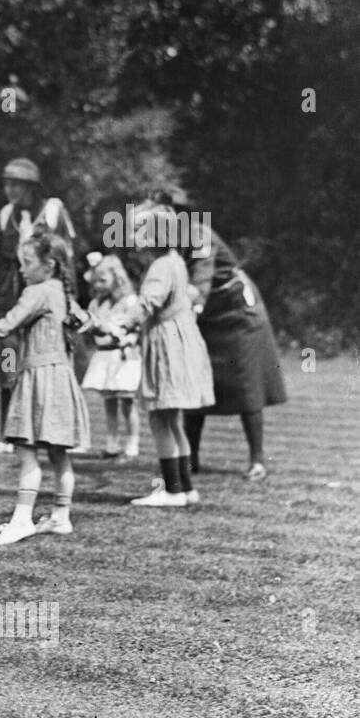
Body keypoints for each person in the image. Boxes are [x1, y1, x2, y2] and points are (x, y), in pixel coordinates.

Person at [0, 235, 91, 545]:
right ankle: (60, 517)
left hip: (40, 377)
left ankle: (22, 519)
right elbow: (85, 321)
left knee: (26, 452)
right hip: (61, 378)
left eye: (27, 263)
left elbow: (5, 326)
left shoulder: (37, 291)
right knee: (58, 452)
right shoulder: (63, 293)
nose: (22, 270)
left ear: (48, 265)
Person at [0, 158, 85, 455]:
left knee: (55, 367)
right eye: (6, 183)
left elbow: (67, 257)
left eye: (16, 184)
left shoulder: (53, 210)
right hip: (13, 300)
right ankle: (6, 435)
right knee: (8, 364)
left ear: (31, 187)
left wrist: (70, 298)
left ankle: (63, 434)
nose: (9, 189)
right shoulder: (5, 215)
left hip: (50, 302)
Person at [161, 196, 286, 481]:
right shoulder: (170, 242)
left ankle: (257, 460)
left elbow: (201, 280)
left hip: (237, 316)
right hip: (207, 318)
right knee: (197, 383)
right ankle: (190, 458)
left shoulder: (199, 235)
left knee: (247, 385)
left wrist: (188, 312)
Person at [110, 208, 215, 507]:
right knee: (172, 419)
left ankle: (172, 490)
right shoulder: (176, 262)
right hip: (180, 340)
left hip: (167, 344)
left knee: (159, 416)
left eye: (142, 230)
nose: (136, 236)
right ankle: (185, 488)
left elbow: (148, 303)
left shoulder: (160, 266)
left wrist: (120, 324)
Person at [81, 252, 142, 458]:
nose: (98, 285)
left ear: (117, 277)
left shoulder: (129, 301)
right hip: (105, 356)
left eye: (103, 280)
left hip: (123, 356)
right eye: (95, 280)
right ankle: (111, 442)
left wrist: (127, 339)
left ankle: (132, 442)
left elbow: (136, 327)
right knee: (109, 401)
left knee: (127, 401)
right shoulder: (96, 303)